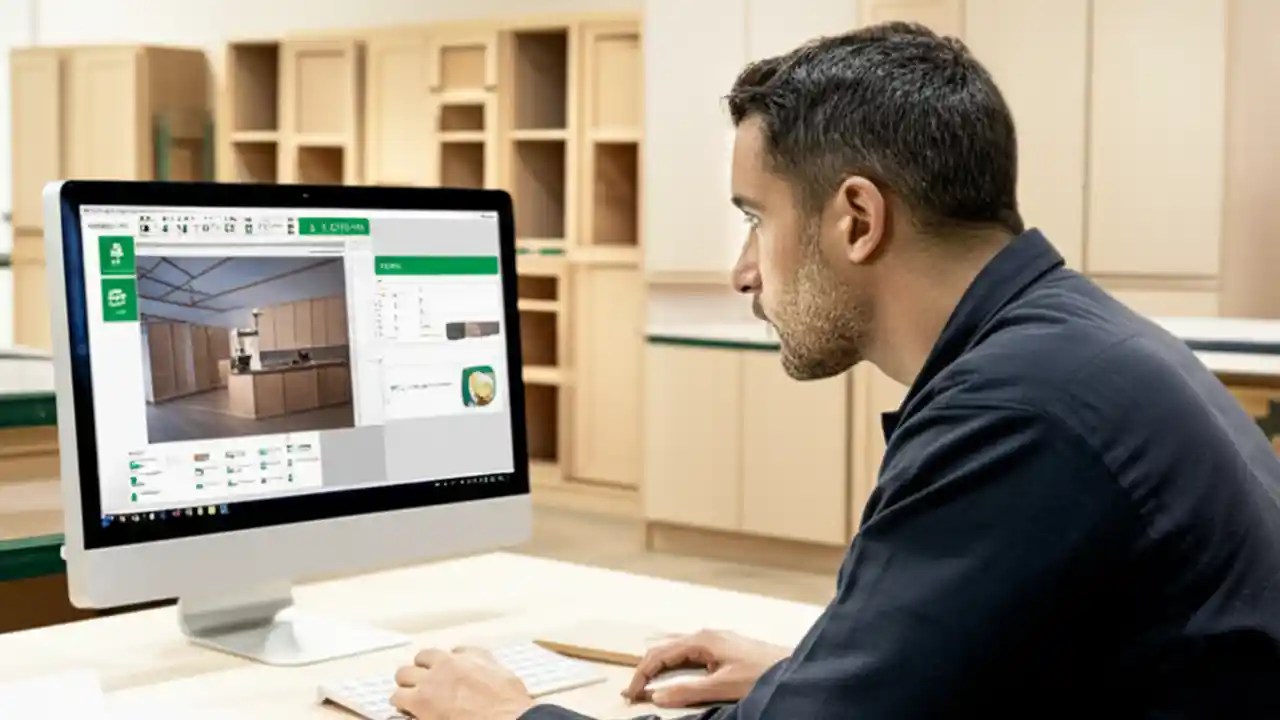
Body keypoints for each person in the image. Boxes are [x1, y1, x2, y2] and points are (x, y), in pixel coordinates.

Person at [390, 22, 1280, 719]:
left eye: (754, 218)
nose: (743, 269)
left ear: (856, 218)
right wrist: (810, 678)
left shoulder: (1017, 411)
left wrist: (510, 715)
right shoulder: (1069, 346)